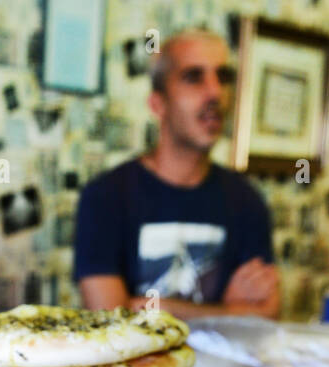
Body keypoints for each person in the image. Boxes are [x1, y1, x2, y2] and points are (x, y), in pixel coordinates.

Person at [74, 29, 280, 319]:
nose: (215, 92)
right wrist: (231, 311)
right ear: (158, 104)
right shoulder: (105, 197)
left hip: (222, 366)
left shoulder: (247, 200)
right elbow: (111, 320)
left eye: (222, 77)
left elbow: (268, 314)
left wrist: (157, 307)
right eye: (194, 77)